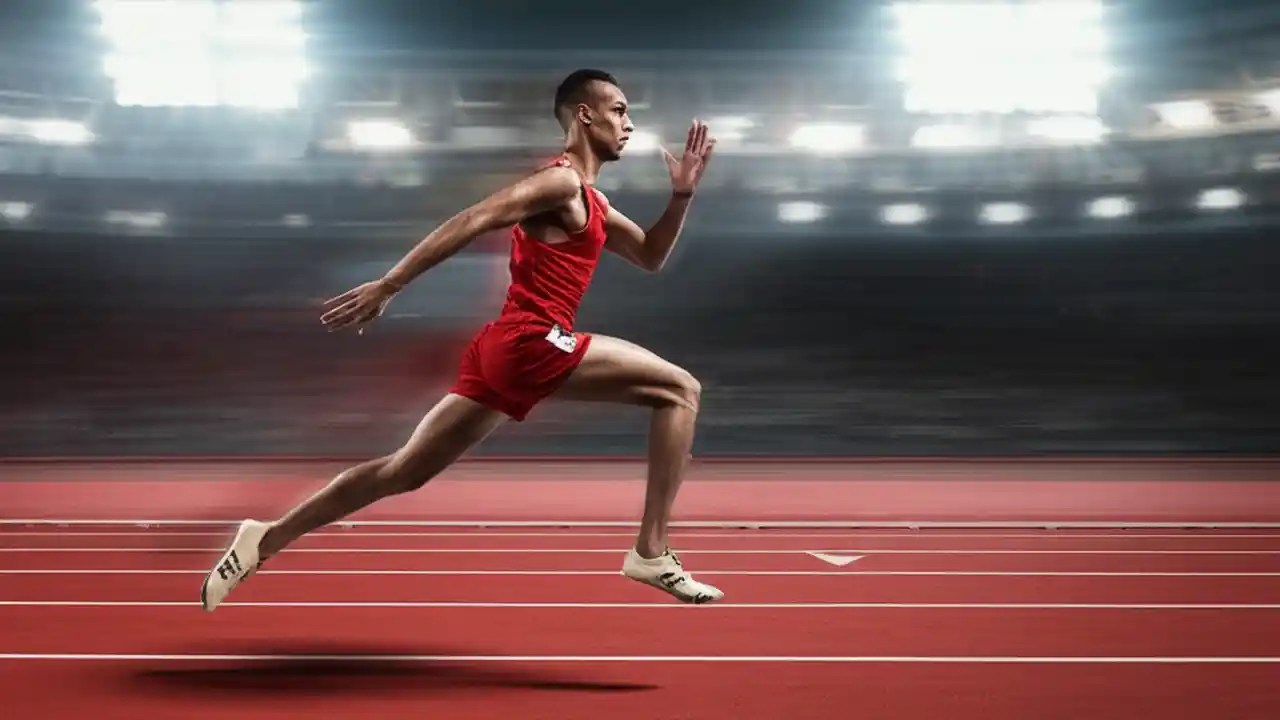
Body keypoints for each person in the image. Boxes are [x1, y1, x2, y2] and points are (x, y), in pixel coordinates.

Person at [200, 69, 722, 611]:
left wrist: (681, 195)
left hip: (506, 349)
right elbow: (475, 218)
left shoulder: (592, 202)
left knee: (401, 471)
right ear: (584, 115)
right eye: (618, 109)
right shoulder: (560, 182)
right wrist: (391, 284)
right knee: (680, 390)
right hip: (533, 342)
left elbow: (651, 255)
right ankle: (651, 551)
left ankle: (265, 537)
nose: (629, 123)